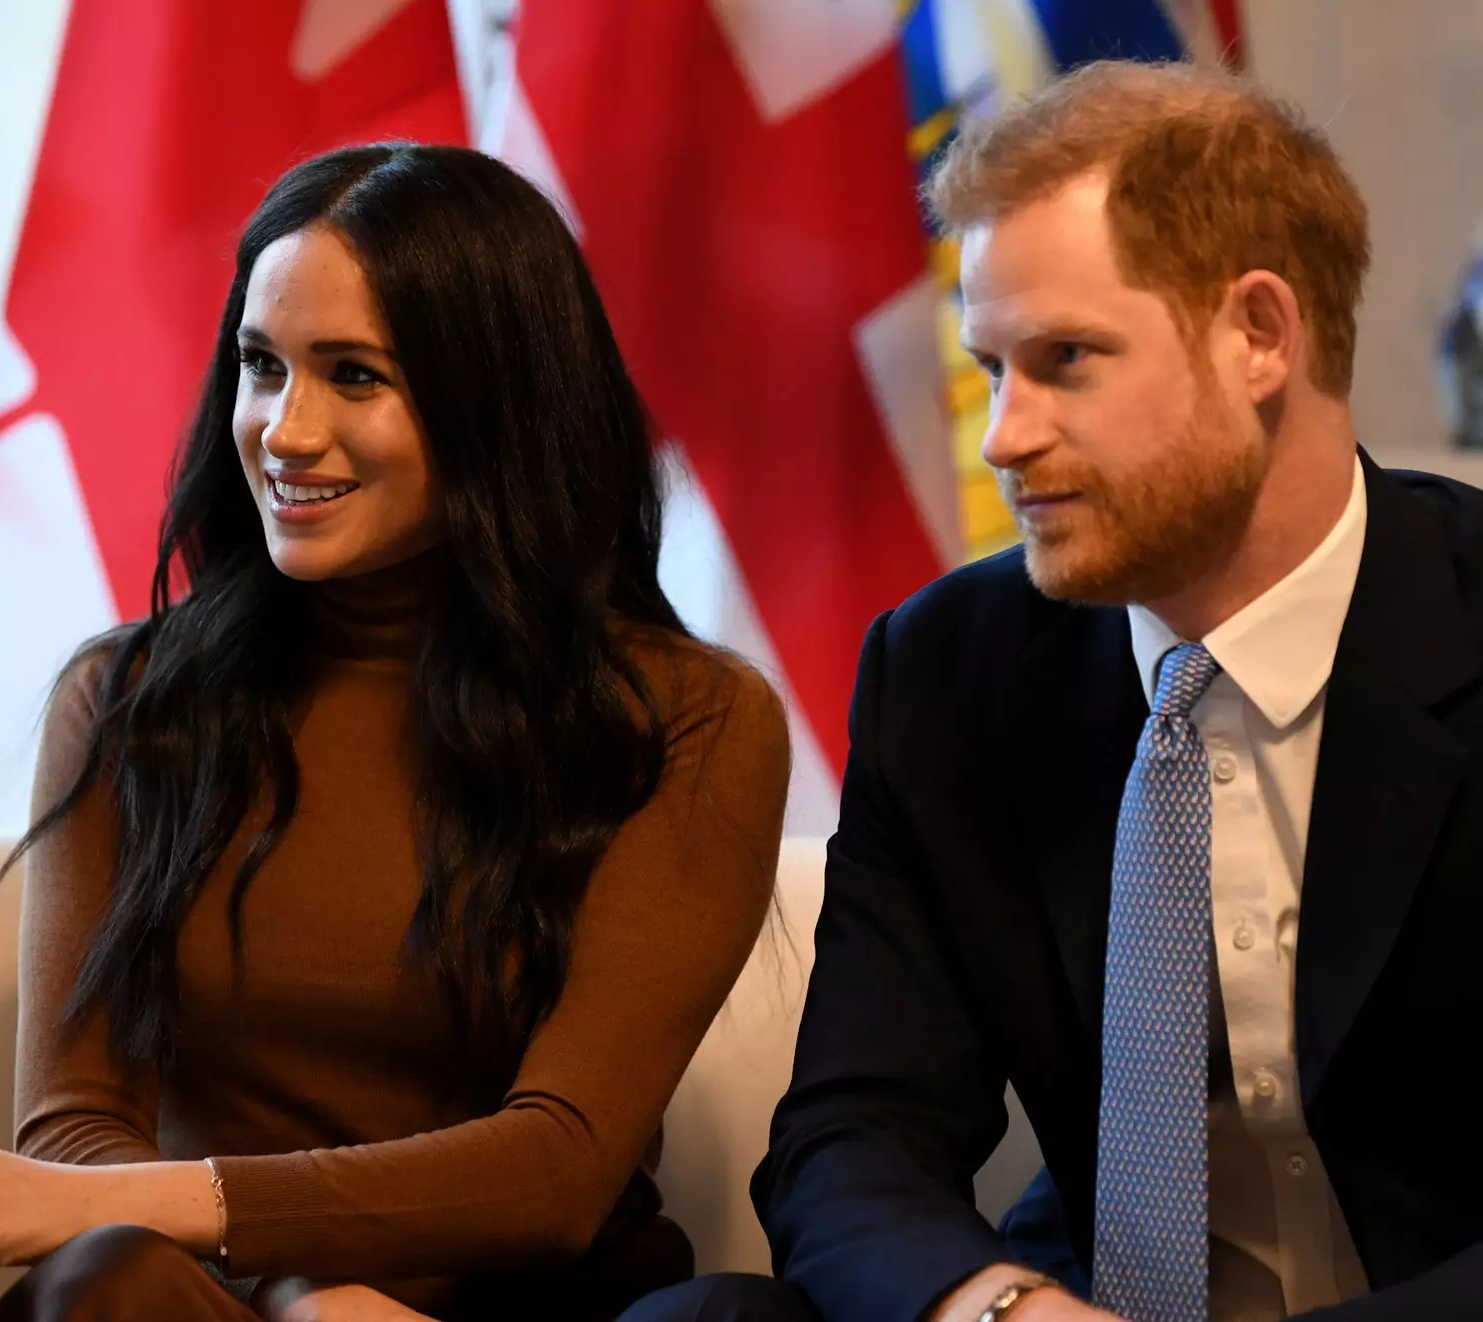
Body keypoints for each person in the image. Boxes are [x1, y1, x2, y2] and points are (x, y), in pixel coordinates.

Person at [628, 57, 1483, 1322]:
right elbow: (853, 1135)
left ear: (1260, 334)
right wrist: (999, 1309)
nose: (999, 434)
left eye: (1065, 359)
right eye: (988, 368)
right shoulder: (948, 671)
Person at [0, 142, 790, 1321]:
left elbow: (561, 1162)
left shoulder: (690, 717)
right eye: (262, 366)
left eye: (355, 375)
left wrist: (314, 1271)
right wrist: (294, 1289)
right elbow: (72, 1127)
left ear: (498, 404)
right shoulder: (127, 698)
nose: (283, 430)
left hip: (534, 1303)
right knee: (105, 1277)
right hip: (207, 1302)